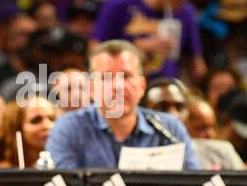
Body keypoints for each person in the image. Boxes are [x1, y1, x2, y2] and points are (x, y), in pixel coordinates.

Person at [43, 39, 200, 169]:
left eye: (126, 76)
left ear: (142, 85)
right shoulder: (69, 128)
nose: (118, 86)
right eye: (107, 77)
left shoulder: (170, 128)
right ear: (91, 88)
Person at [91, 0, 206, 82]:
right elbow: (94, 53)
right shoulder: (120, 3)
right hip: (123, 88)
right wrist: (134, 50)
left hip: (166, 91)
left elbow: (197, 67)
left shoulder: (185, 12)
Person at [0, 96, 59, 167]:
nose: (48, 126)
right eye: (36, 120)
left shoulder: (63, 164)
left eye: (52, 119)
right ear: (14, 128)